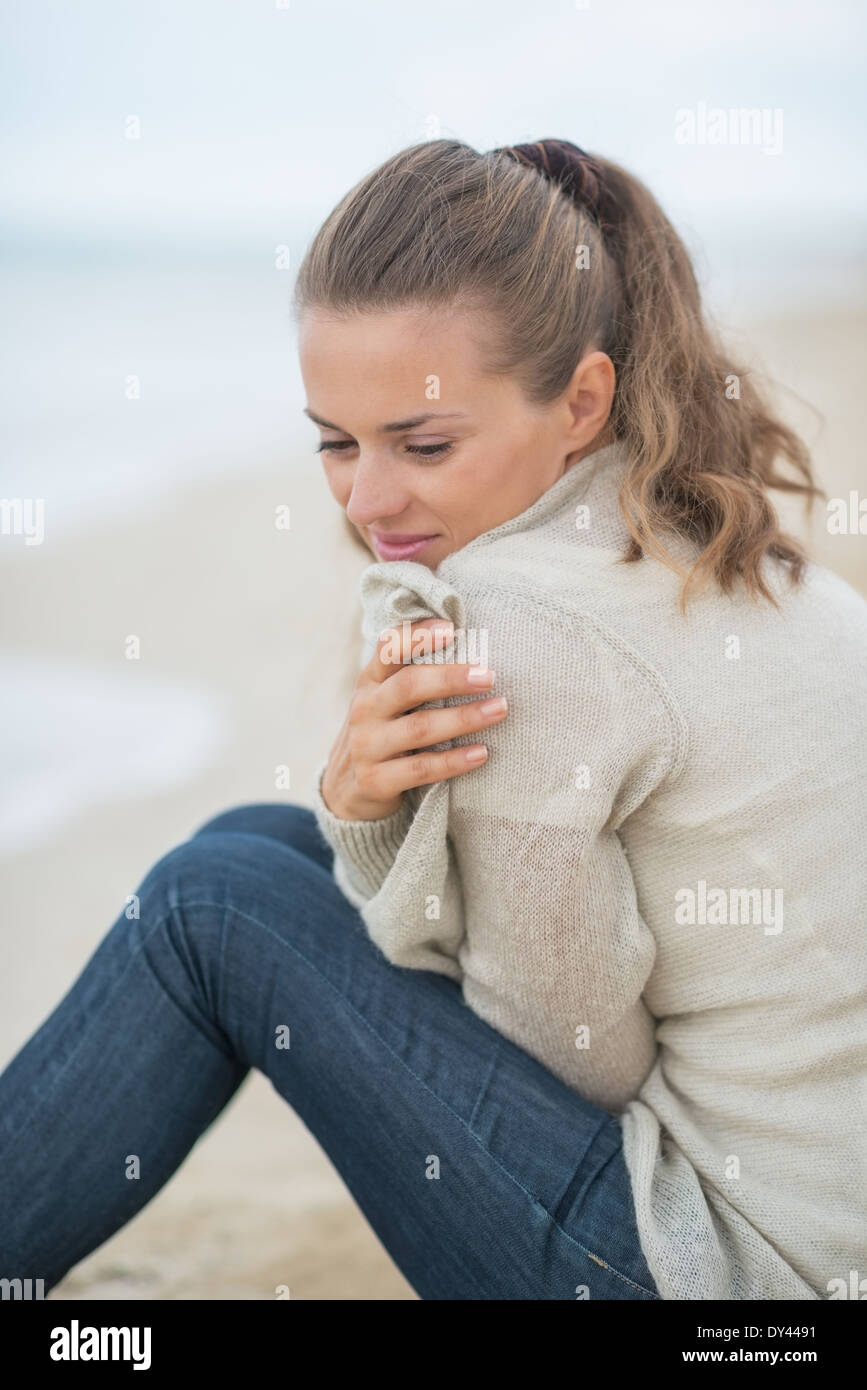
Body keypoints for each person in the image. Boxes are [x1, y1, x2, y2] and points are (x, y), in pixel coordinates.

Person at [2, 138, 864, 1301]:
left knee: (215, 907)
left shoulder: (525, 634)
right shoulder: (715, 539)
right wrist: (353, 821)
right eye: (333, 440)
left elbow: (573, 1063)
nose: (366, 500)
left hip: (727, 1280)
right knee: (256, 845)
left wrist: (368, 826)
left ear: (582, 401)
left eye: (422, 444)